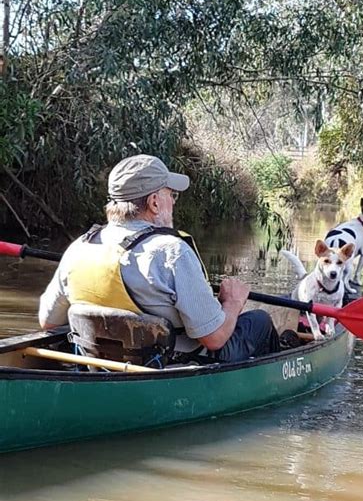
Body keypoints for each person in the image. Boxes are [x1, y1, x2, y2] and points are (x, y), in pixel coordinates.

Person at [39, 154, 281, 363]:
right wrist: (233, 303)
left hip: (99, 361)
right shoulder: (172, 251)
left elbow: (48, 321)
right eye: (171, 195)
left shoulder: (80, 246)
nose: (173, 203)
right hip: (171, 363)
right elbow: (215, 338)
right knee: (259, 321)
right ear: (154, 202)